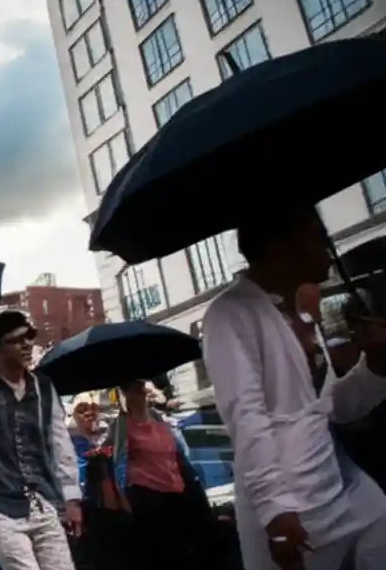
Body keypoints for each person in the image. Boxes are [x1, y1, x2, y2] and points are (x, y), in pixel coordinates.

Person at [202, 208, 386, 570]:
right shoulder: (229, 314)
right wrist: (274, 509)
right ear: (282, 246)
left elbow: (332, 407)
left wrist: (377, 365)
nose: (327, 246)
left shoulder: (300, 317)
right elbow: (246, 415)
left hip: (344, 494)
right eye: (317, 235)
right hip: (293, 514)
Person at [0, 310, 82, 570]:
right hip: (1, 509)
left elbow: (60, 445)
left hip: (45, 503)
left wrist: (72, 498)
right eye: (15, 340)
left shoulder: (44, 388)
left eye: (29, 337)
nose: (26, 344)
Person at [105, 379, 217, 569]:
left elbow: (180, 455)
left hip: (179, 492)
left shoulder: (160, 418)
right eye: (135, 390)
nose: (141, 393)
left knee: (196, 551)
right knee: (164, 556)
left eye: (142, 388)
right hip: (147, 499)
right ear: (126, 395)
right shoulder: (121, 426)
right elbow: (111, 459)